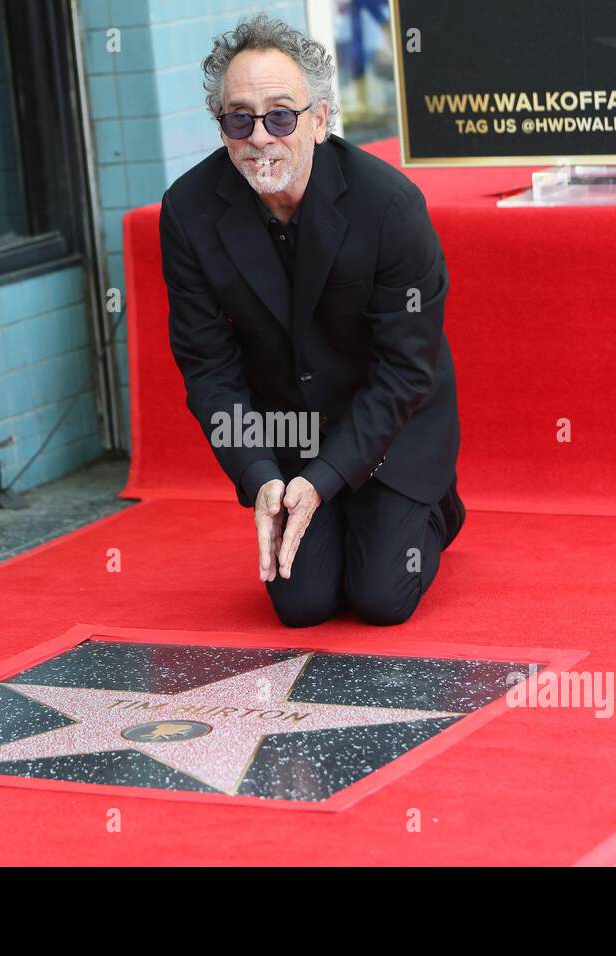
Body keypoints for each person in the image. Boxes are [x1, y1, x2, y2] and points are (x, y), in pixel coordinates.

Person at [160, 14, 465, 627]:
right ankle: (330, 509)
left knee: (381, 596)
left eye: (280, 115)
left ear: (320, 120)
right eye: (239, 118)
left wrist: (328, 478)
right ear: (222, 129)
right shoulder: (188, 212)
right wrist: (259, 474)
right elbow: (207, 367)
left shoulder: (389, 206)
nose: (260, 137)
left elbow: (406, 369)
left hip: (393, 426)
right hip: (292, 430)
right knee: (302, 606)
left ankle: (437, 508)